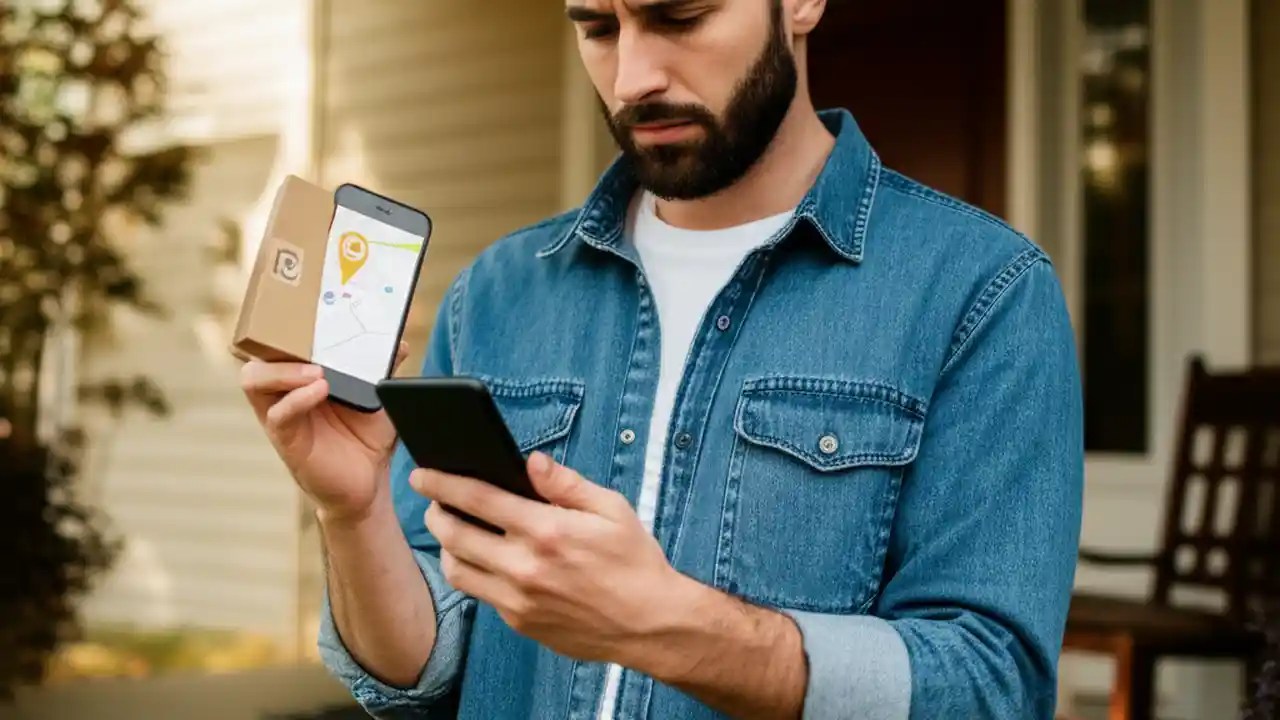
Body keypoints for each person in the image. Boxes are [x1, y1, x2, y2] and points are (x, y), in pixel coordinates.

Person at [239, 0, 1084, 718]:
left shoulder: (983, 293)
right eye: (599, 26)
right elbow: (423, 669)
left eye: (678, 14)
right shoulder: (495, 293)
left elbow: (990, 686)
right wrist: (352, 518)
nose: (634, 75)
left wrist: (669, 626)